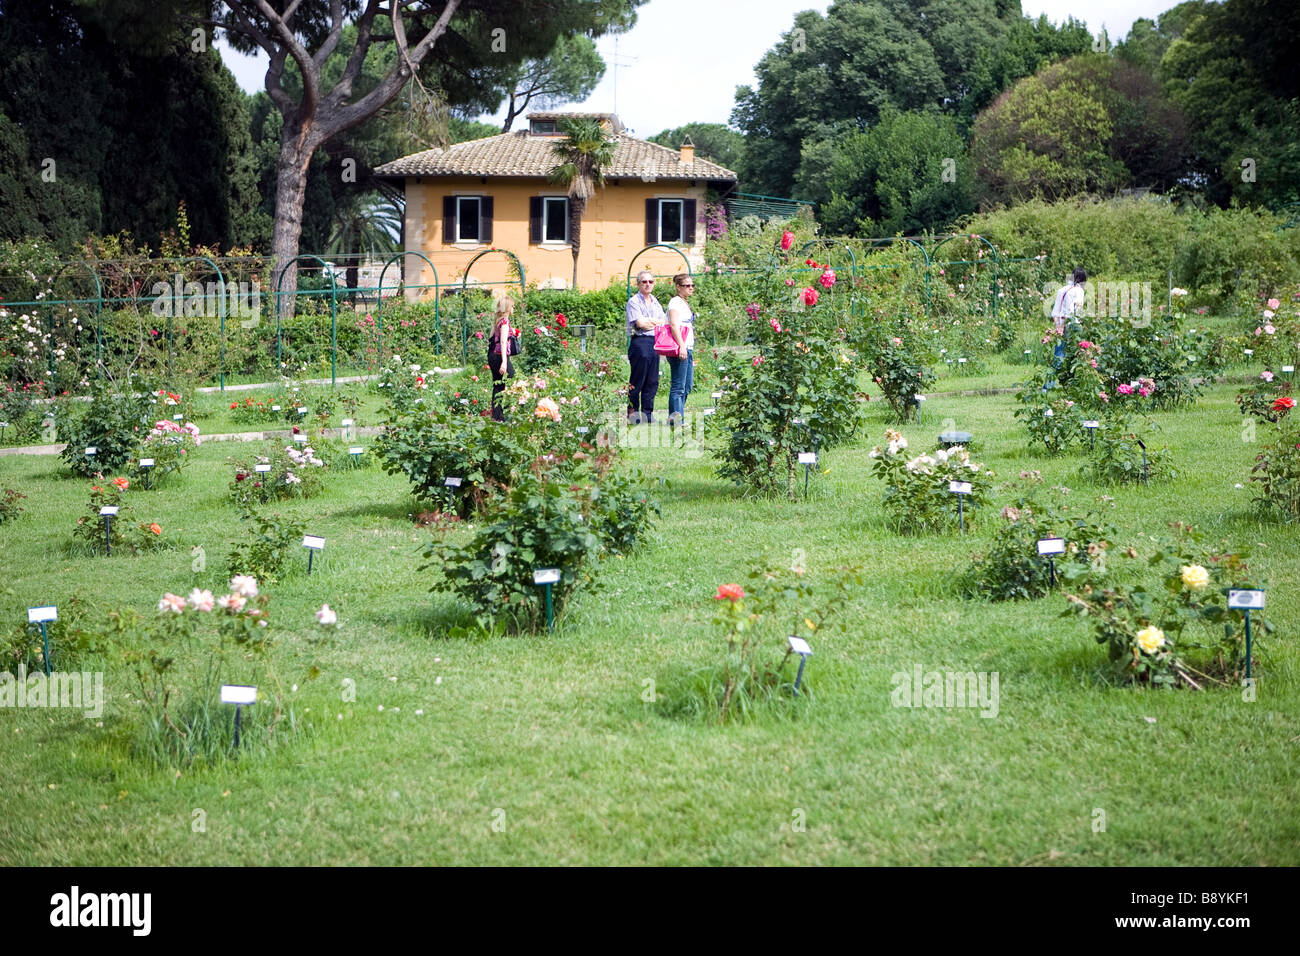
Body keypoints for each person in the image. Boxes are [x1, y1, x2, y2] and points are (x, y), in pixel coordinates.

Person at [625, 270, 665, 425]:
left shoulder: (655, 302)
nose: (648, 284)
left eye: (650, 281)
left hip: (655, 342)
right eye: (644, 282)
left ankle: (647, 414)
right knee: (637, 380)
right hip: (640, 342)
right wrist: (654, 322)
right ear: (638, 284)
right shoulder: (634, 302)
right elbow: (640, 324)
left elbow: (664, 322)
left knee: (652, 381)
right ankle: (633, 414)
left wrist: (649, 322)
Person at [665, 273, 696, 430]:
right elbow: (673, 325)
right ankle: (676, 419)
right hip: (680, 349)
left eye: (692, 285)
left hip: (688, 348)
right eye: (687, 285)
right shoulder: (675, 302)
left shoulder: (684, 302)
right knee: (678, 386)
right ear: (678, 287)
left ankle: (675, 416)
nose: (690, 288)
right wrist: (682, 346)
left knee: (688, 385)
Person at [1050, 267, 1087, 368]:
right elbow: (1073, 311)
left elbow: (1055, 311)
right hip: (1072, 325)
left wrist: (1058, 326)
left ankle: (1053, 376)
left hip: (1060, 324)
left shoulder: (1062, 290)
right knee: (1077, 353)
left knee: (1059, 353)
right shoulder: (1079, 291)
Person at [487, 296, 517, 422]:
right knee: (511, 378)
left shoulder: (497, 321)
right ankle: (506, 411)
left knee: (498, 385)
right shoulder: (504, 322)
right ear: (508, 307)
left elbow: (491, 338)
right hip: (500, 356)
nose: (514, 308)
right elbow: (503, 342)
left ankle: (497, 416)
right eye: (512, 306)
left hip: (492, 355)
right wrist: (504, 362)